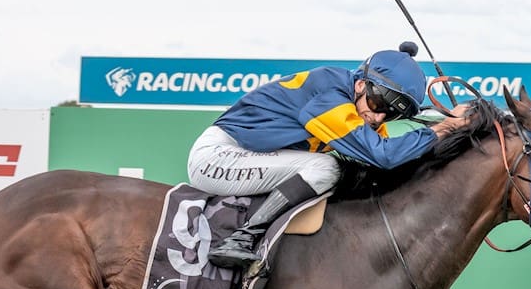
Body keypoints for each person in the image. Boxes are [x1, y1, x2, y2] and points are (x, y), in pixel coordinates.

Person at [187, 42, 472, 269]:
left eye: (392, 113)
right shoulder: (330, 93)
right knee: (326, 168)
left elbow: (390, 164)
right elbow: (382, 155)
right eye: (376, 103)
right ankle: (242, 238)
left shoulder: (358, 105)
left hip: (256, 159)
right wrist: (445, 127)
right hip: (219, 158)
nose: (377, 116)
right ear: (361, 84)